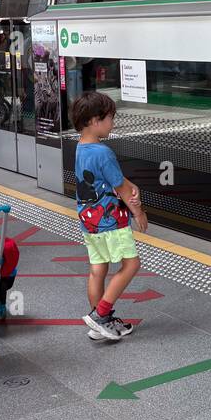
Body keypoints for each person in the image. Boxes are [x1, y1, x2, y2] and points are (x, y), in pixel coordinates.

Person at [71, 91, 148, 342]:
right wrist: (139, 212)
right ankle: (101, 315)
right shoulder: (103, 152)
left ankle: (99, 323)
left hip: (89, 219)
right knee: (131, 264)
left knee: (98, 268)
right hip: (110, 218)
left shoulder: (81, 147)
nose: (112, 124)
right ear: (95, 120)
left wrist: (126, 182)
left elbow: (111, 179)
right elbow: (122, 188)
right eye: (110, 119)